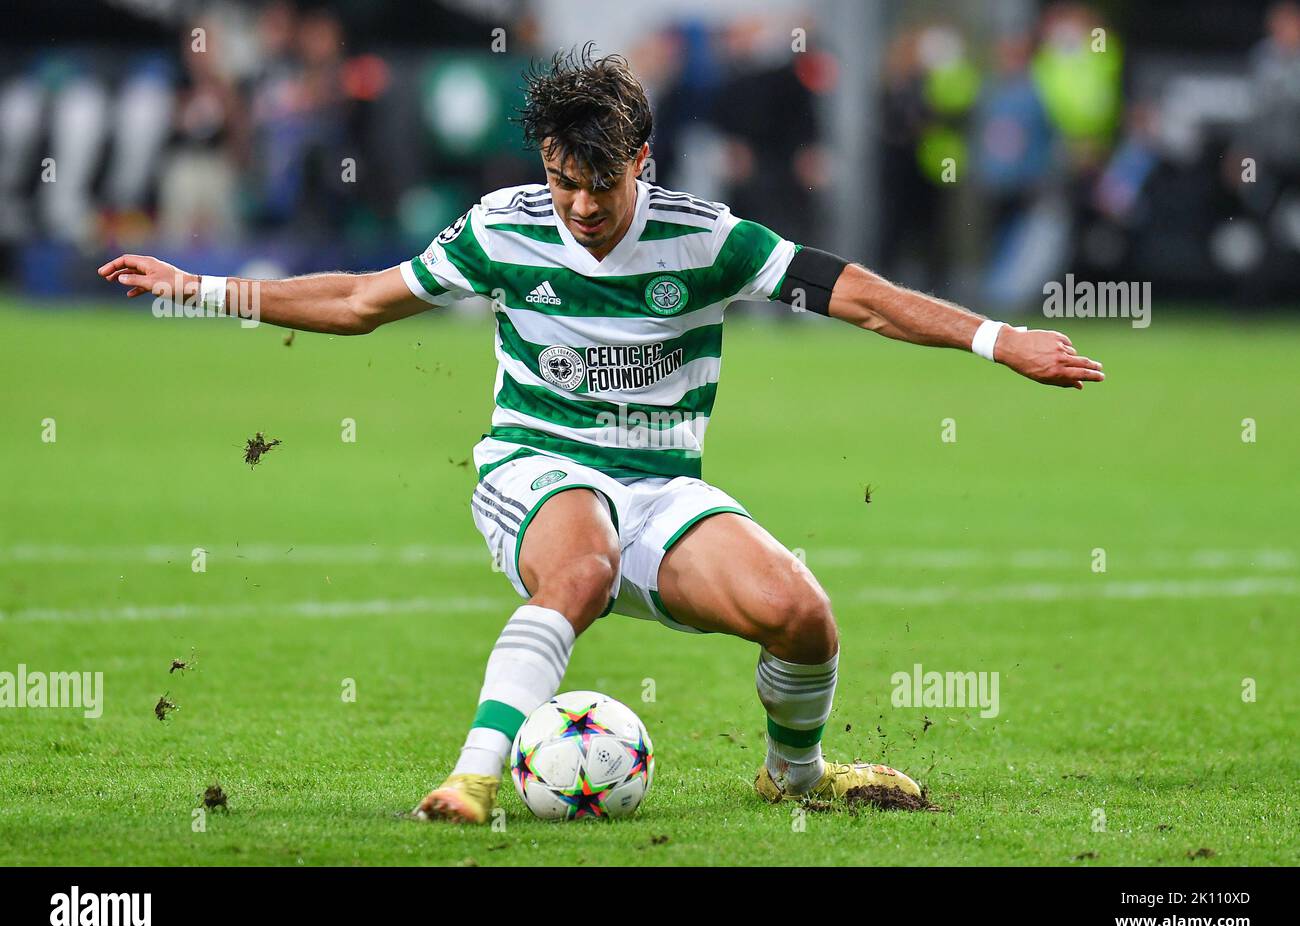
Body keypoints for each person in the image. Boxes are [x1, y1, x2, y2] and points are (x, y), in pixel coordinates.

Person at [97, 46, 1104, 823]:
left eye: (600, 185)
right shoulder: (503, 226)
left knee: (801, 613)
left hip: (661, 489)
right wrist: (203, 287)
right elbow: (362, 298)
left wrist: (995, 337)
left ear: (642, 164)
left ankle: (791, 776)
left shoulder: (705, 236)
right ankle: (473, 776)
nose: (579, 206)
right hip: (533, 469)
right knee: (577, 568)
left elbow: (860, 296)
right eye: (561, 180)